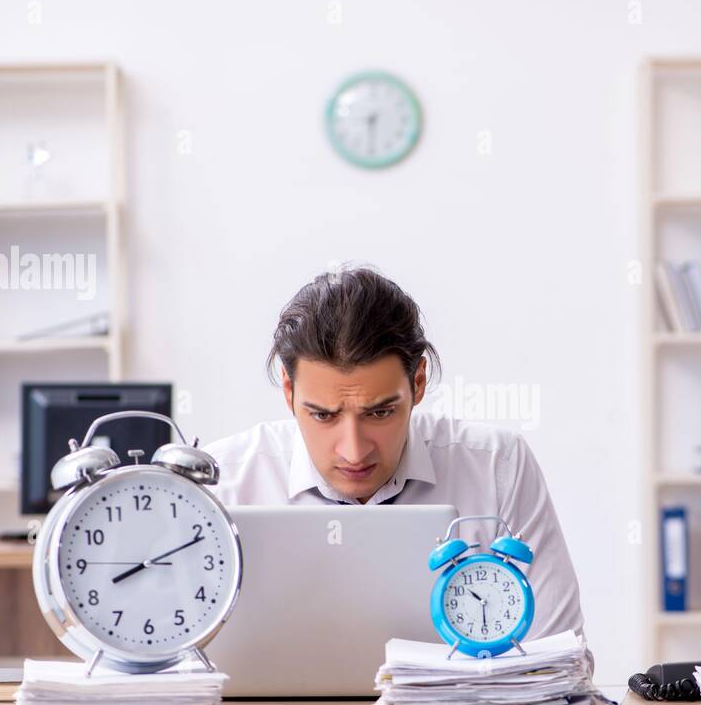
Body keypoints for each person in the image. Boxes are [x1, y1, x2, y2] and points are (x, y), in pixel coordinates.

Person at [204, 267, 591, 667]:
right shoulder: (224, 482)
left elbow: (561, 658)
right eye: (323, 416)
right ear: (288, 390)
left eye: (381, 412)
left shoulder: (496, 465)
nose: (353, 452)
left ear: (418, 382)